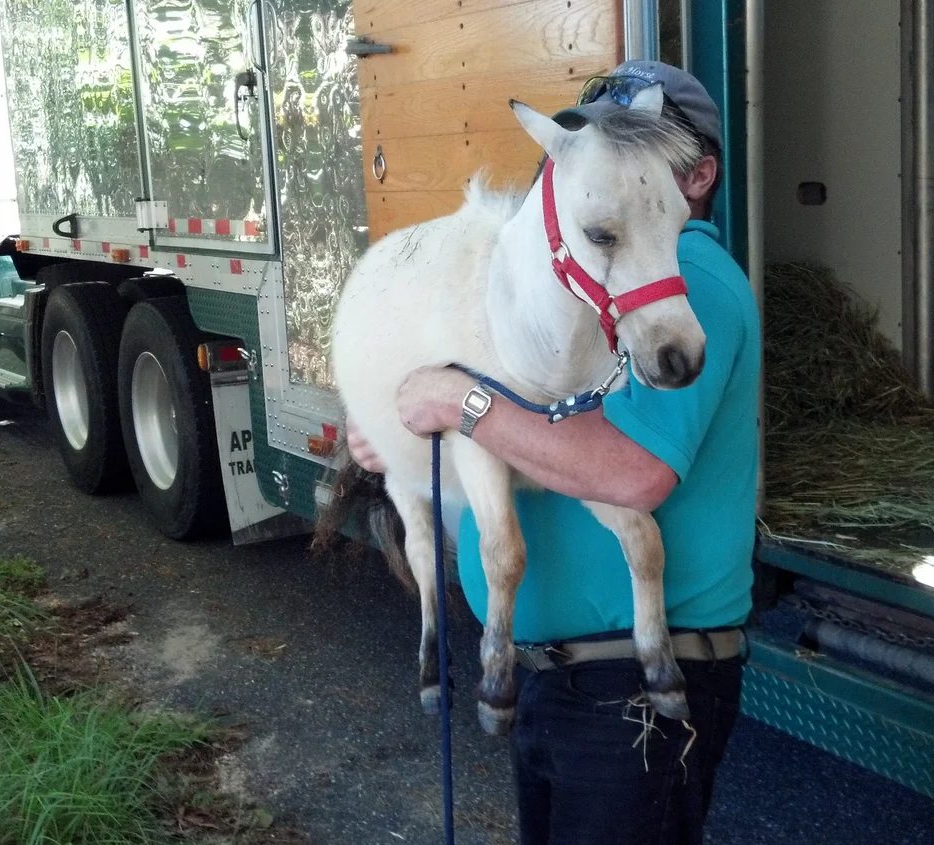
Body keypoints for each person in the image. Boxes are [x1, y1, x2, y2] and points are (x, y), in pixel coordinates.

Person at [346, 60, 761, 845]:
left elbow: (629, 471)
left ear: (696, 174)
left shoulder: (682, 279)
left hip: (633, 680)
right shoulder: (582, 282)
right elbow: (524, 421)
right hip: (554, 672)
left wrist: (462, 403)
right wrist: (405, 431)